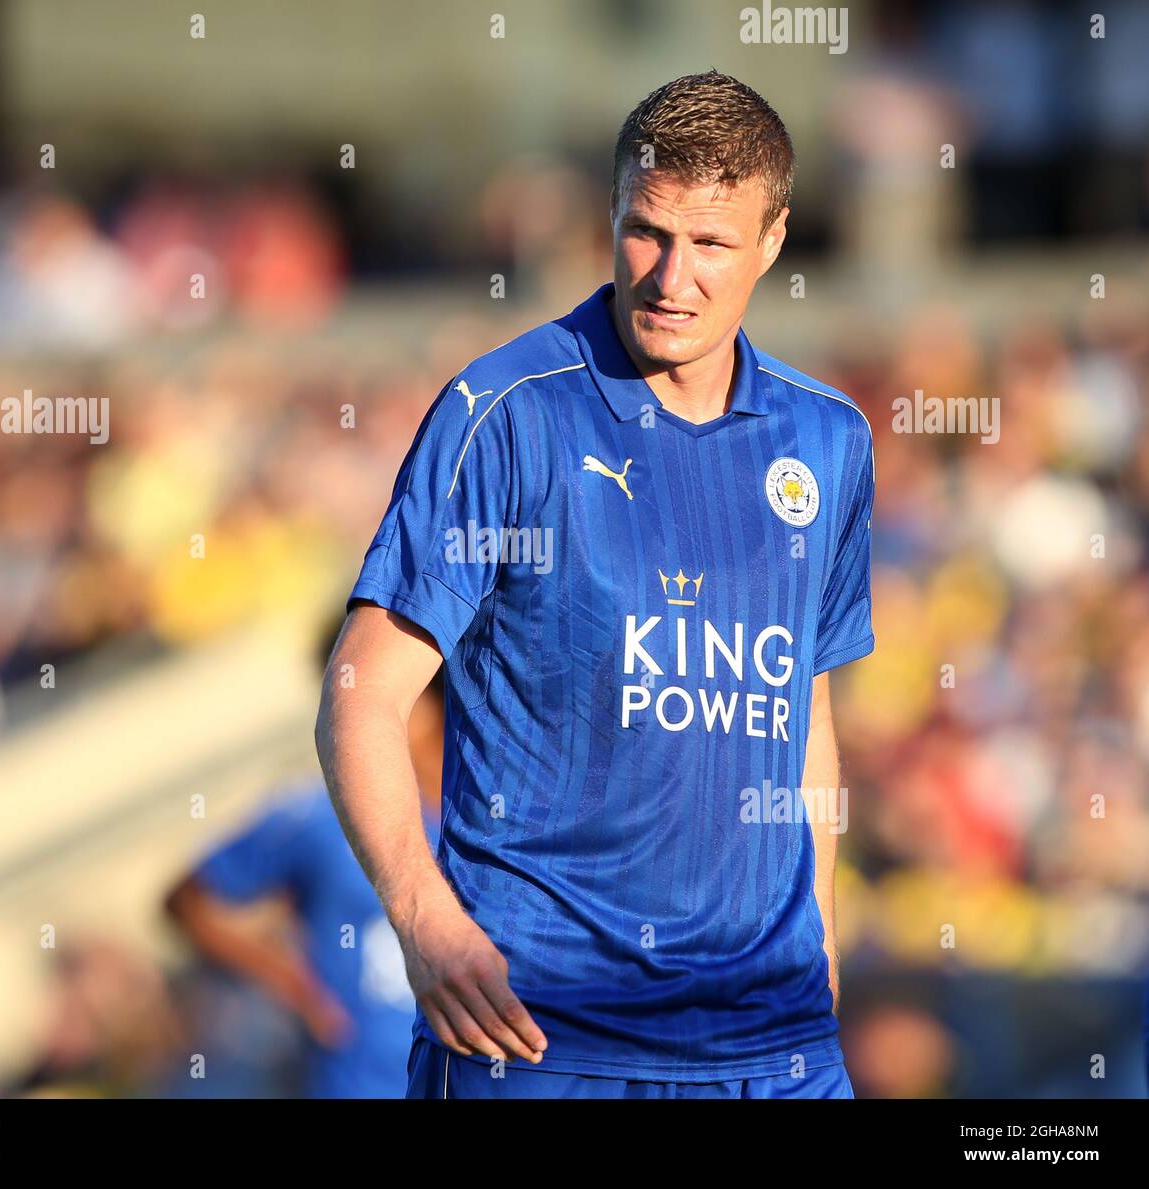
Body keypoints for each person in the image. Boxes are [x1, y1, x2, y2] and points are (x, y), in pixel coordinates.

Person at [316, 70, 875, 1099]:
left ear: (774, 242)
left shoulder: (827, 440)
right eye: (646, 231)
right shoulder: (507, 411)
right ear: (610, 215)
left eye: (710, 244)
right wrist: (424, 917)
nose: (671, 276)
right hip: (536, 1032)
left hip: (768, 1040)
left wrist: (823, 946)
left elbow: (807, 716)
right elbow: (360, 693)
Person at [167, 619, 443, 1098]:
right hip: (367, 1080)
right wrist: (299, 990)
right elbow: (188, 902)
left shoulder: (493, 803)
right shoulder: (319, 815)